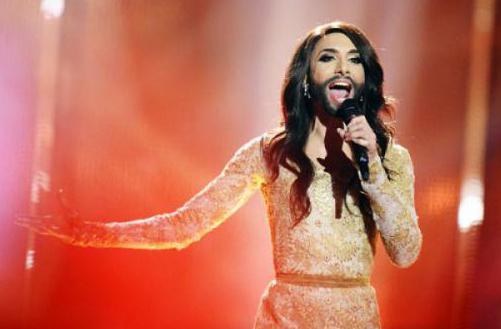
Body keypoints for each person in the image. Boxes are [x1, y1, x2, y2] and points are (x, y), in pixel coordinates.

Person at [17, 21, 422, 328]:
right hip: (286, 319)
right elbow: (185, 225)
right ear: (306, 80)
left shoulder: (390, 158)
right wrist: (87, 232)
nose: (343, 67)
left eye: (354, 59)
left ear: (365, 80)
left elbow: (405, 253)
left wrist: (372, 168)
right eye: (328, 57)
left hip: (356, 318)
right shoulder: (269, 154)